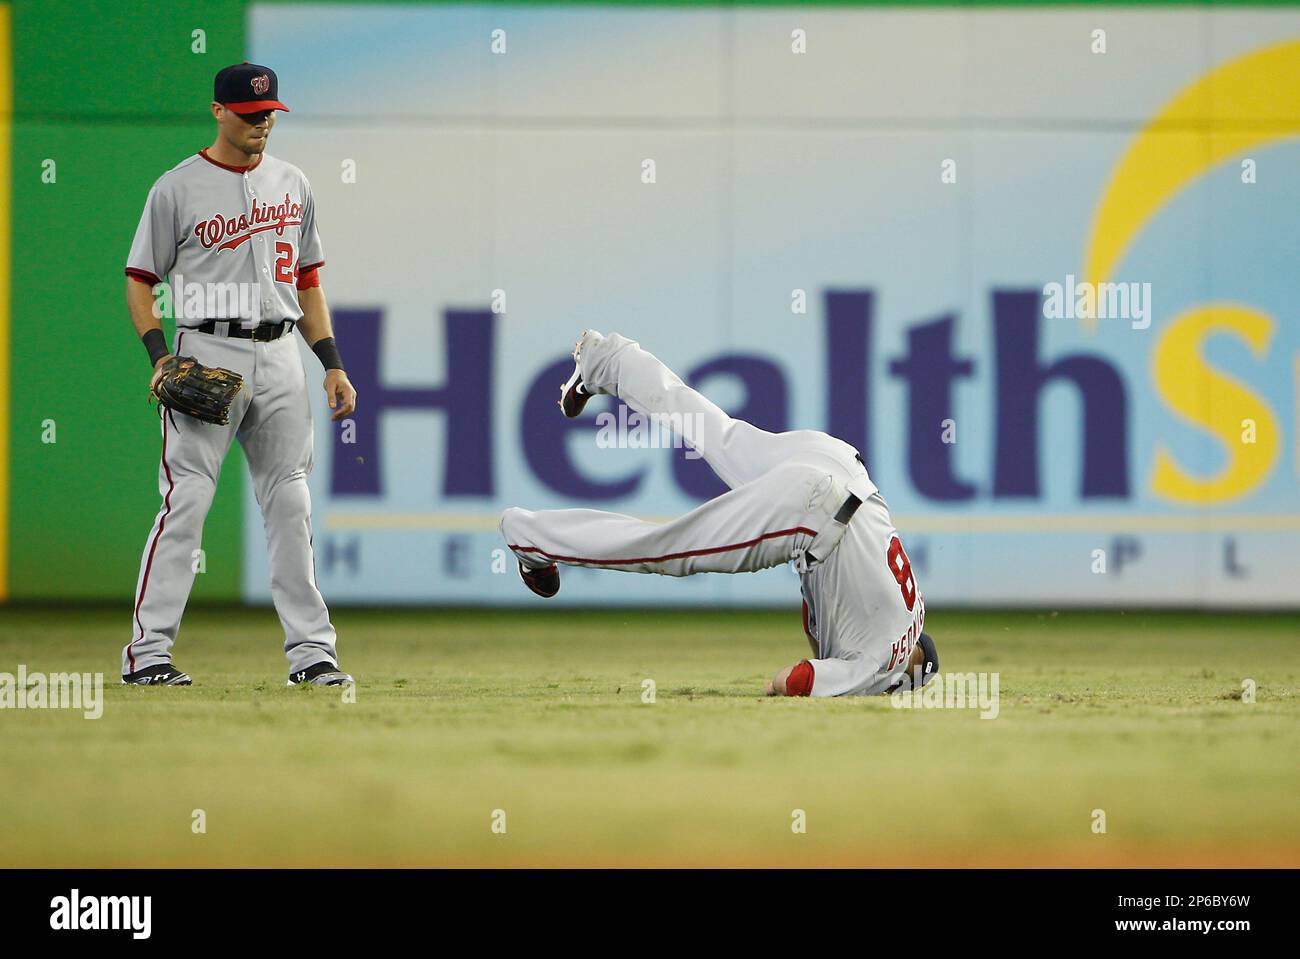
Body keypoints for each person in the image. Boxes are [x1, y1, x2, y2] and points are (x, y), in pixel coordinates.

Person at [500, 330, 939, 697]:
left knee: (711, 428)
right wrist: (784, 688)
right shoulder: (876, 670)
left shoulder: (913, 611)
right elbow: (795, 680)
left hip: (839, 464)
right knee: (667, 548)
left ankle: (609, 360)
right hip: (813, 512)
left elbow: (839, 614)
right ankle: (528, 537)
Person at [121, 63, 356, 686]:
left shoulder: (293, 182)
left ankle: (312, 655)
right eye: (251, 115)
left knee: (291, 501)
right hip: (206, 350)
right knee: (186, 502)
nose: (262, 125)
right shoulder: (175, 188)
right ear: (218, 111)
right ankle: (148, 656)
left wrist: (330, 363)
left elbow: (307, 282)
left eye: (270, 114)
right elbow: (140, 280)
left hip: (281, 352)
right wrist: (160, 356)